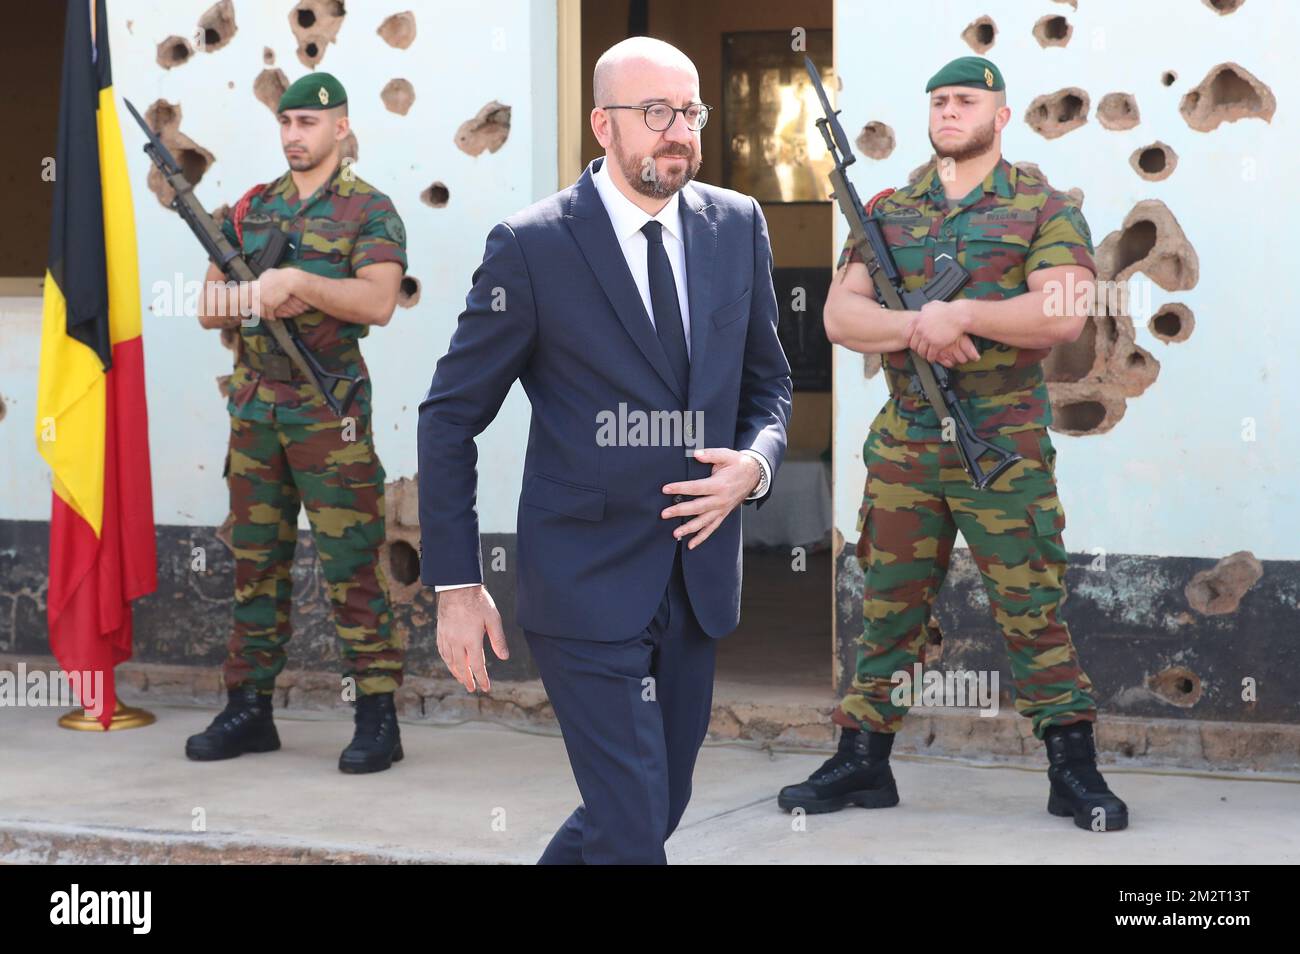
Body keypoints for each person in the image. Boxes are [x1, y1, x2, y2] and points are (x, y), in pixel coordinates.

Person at [418, 37, 791, 863]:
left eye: (689, 112)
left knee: (653, 808)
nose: (677, 132)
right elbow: (449, 417)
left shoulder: (737, 225)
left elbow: (769, 384)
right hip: (583, 581)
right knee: (629, 827)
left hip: (696, 580)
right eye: (654, 113)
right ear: (602, 124)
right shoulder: (532, 247)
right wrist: (456, 583)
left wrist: (754, 466)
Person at [778, 56, 1128, 832]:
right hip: (905, 441)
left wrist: (963, 314)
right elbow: (841, 318)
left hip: (1002, 443)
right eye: (938, 100)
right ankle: (863, 759)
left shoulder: (1045, 209)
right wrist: (917, 326)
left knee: (1030, 606)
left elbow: (1063, 315)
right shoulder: (890, 210)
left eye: (965, 100)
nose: (948, 111)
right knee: (888, 606)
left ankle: (1072, 767)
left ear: (1001, 117)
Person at [186, 73, 409, 774]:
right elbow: (209, 308)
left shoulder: (370, 212)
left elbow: (376, 302)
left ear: (340, 128)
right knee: (256, 564)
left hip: (329, 418)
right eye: (286, 122)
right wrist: (257, 291)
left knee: (351, 566)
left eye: (308, 123)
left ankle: (377, 715)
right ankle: (249, 708)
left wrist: (298, 285)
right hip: (255, 413)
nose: (293, 135)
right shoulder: (252, 207)